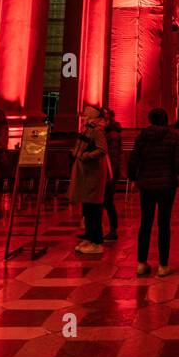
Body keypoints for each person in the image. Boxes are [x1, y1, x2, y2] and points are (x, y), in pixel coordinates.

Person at [127, 107, 179, 277]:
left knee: (145, 224)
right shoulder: (172, 137)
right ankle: (163, 265)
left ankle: (141, 263)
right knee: (164, 224)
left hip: (147, 184)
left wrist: (133, 179)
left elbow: (133, 159)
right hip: (166, 185)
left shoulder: (142, 136)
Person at [72, 104, 111, 254]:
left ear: (93, 117)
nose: (84, 116)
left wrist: (85, 156)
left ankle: (96, 241)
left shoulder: (97, 130)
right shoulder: (88, 129)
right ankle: (89, 237)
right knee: (87, 207)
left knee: (94, 208)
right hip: (87, 172)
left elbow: (102, 149)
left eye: (86, 114)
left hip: (94, 173)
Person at [102, 107, 122, 240]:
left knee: (108, 201)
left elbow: (114, 156)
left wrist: (111, 174)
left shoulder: (112, 134)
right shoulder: (107, 132)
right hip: (107, 171)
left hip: (109, 172)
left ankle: (113, 229)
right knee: (105, 201)